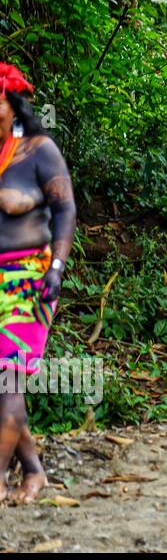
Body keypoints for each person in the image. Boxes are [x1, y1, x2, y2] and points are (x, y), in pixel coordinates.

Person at [0, 62, 74, 503]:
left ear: (12, 105)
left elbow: (65, 209)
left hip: (28, 280)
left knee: (8, 382)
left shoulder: (38, 150)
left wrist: (57, 268)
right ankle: (33, 471)